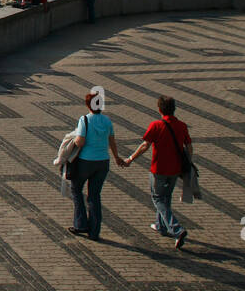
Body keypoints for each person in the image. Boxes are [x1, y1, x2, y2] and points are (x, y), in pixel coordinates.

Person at [124, 96, 191, 248]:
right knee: (166, 197)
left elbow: (145, 145)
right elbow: (189, 146)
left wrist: (130, 158)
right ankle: (160, 226)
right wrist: (188, 164)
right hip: (175, 169)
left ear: (159, 109)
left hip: (159, 169)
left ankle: (177, 229)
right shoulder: (182, 126)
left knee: (158, 199)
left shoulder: (156, 125)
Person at [66, 88, 127, 241]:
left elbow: (80, 141)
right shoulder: (107, 121)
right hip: (103, 162)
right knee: (94, 196)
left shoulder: (85, 120)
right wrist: (116, 157)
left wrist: (70, 141)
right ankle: (94, 231)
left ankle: (80, 224)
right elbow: (112, 140)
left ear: (88, 106)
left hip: (85, 162)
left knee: (76, 190)